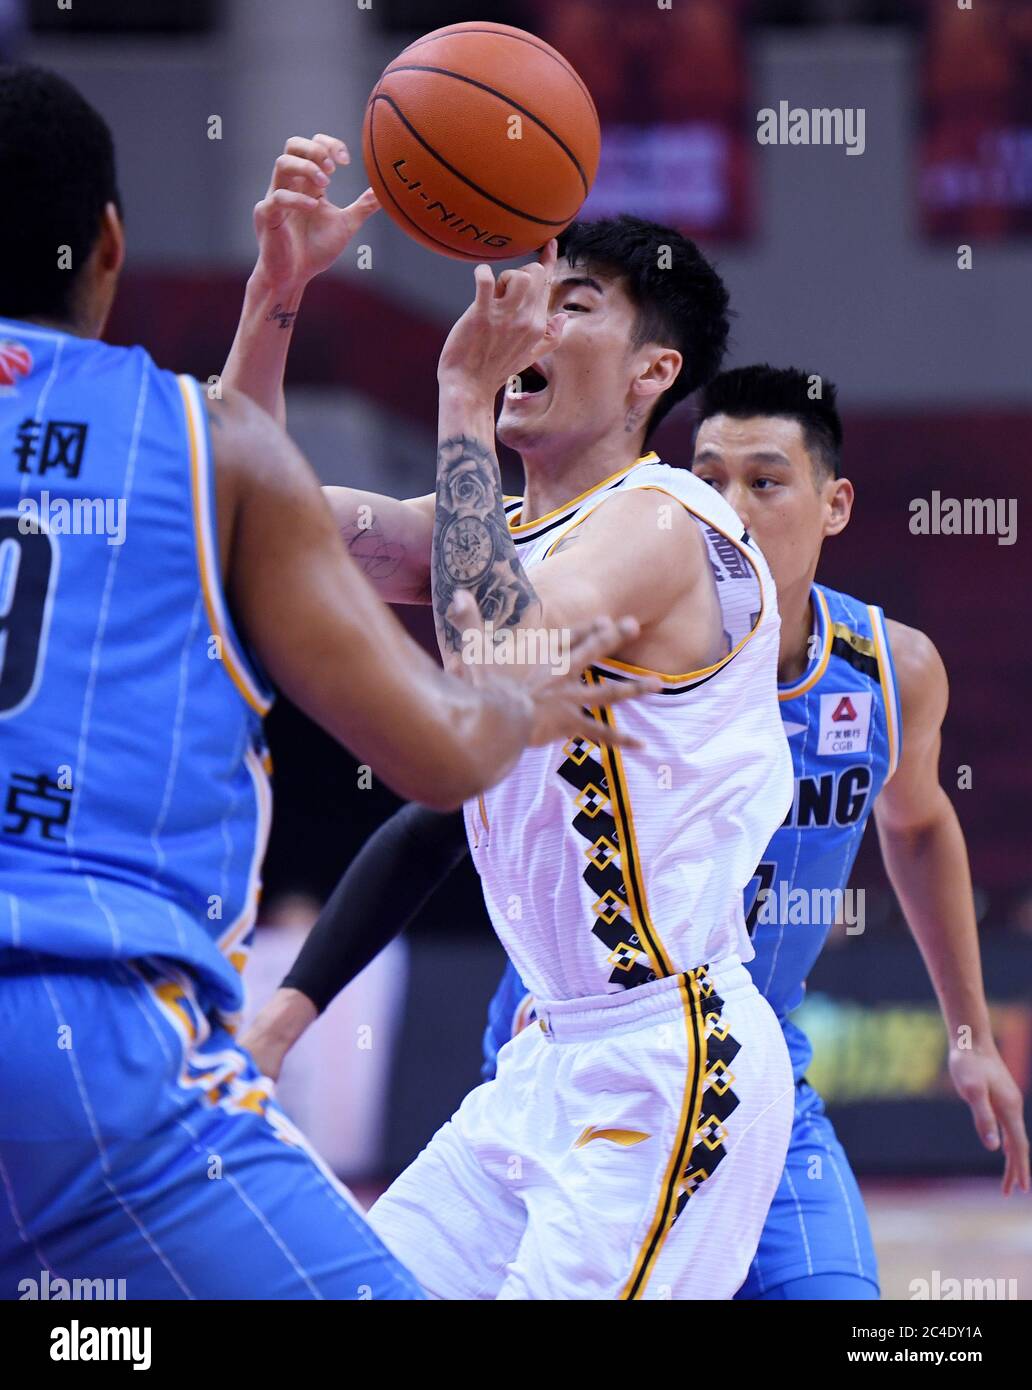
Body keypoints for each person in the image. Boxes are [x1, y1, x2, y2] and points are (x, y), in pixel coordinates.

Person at [0, 66, 645, 1302]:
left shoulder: (215, 453)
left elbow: (212, 527)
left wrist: (275, 306)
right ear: (110, 245)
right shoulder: (203, 445)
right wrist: (519, 699)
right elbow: (439, 752)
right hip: (96, 1053)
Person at [248, 365, 1030, 1301]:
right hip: (579, 1038)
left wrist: (971, 1035)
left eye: (765, 482)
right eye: (708, 477)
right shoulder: (603, 623)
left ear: (836, 505)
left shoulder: (888, 671)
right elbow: (438, 821)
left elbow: (919, 824)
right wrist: (292, 1006)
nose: (727, 504)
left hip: (745, 1056)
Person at [228, 132, 798, 1300]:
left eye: (573, 304)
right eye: (527, 294)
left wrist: (458, 396)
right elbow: (238, 515)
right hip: (546, 1056)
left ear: (653, 372)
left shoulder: (665, 522)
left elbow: (497, 650)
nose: (531, 323)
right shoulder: (482, 526)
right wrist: (277, 292)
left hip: (667, 1057)